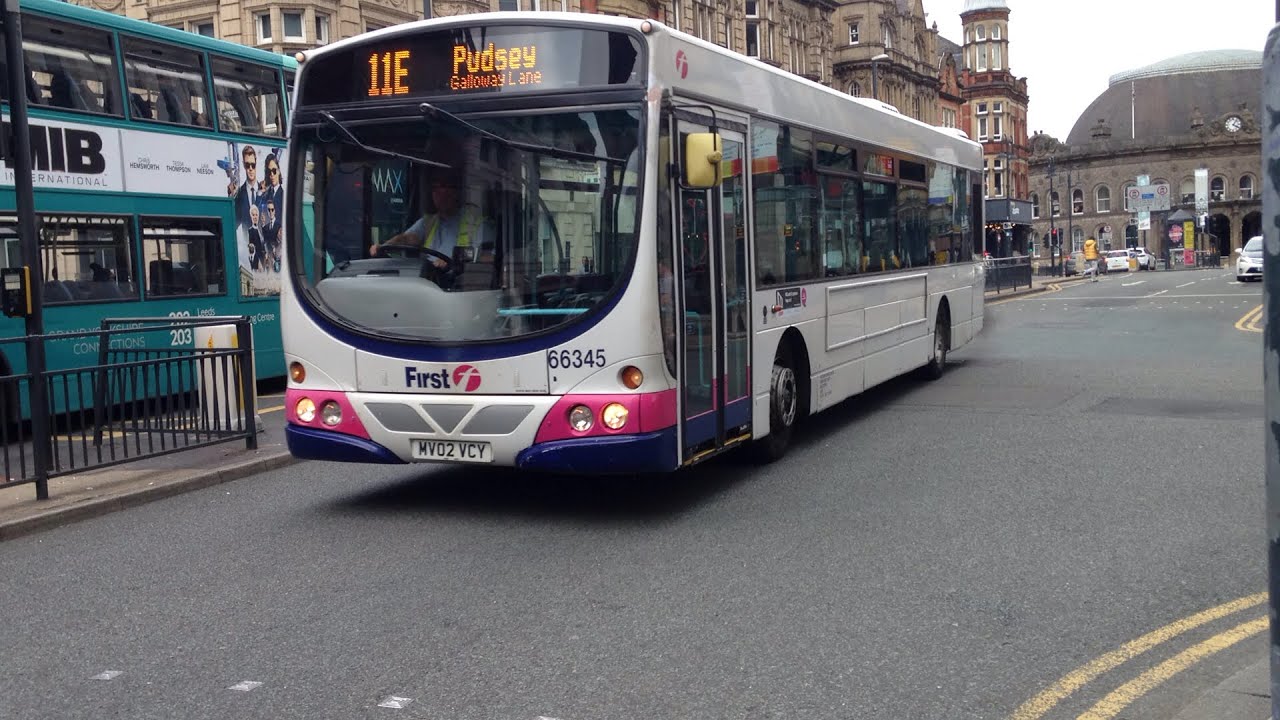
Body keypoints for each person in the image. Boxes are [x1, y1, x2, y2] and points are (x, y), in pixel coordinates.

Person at [369, 169, 494, 270]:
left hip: (460, 288)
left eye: (446, 187)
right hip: (428, 285)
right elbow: (408, 238)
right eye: (435, 188)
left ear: (457, 192)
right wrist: (385, 246)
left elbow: (491, 258)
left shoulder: (478, 223)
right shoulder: (428, 222)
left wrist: (456, 259)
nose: (440, 193)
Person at [231, 145, 259, 229]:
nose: (250, 169)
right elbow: (233, 225)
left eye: (253, 165)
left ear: (256, 162)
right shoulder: (239, 195)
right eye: (247, 165)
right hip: (245, 241)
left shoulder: (266, 192)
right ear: (243, 165)